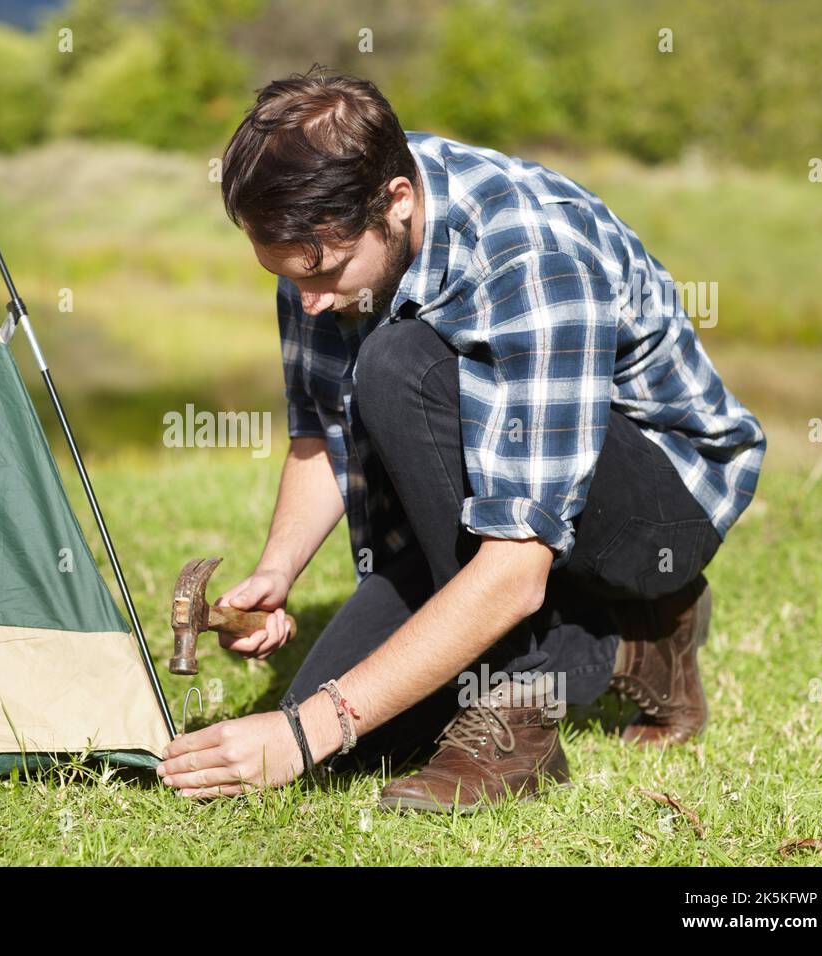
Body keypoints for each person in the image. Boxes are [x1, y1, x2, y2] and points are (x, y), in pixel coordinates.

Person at [154, 67, 766, 812]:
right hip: (500, 497)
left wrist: (303, 735)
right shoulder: (319, 240)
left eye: (324, 273)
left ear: (397, 203)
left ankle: (526, 710)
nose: (307, 301)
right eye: (286, 276)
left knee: (398, 363)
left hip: (655, 499)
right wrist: (277, 572)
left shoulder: (531, 257)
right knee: (353, 743)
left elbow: (513, 567)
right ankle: (634, 642)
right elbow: (320, 432)